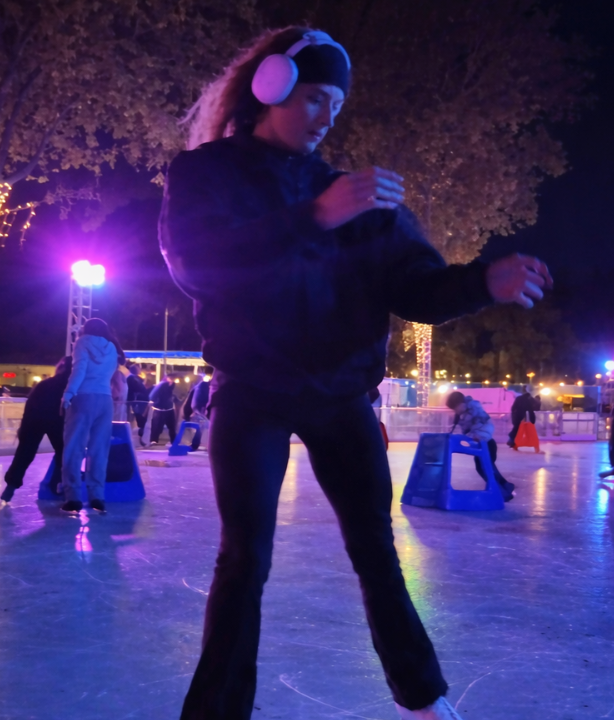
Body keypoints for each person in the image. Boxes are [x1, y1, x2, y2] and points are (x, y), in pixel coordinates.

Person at [161, 26, 552, 720]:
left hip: (341, 393)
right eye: (313, 98)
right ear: (269, 87)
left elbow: (418, 287)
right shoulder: (207, 174)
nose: (324, 118)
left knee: (376, 549)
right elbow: (198, 267)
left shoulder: (354, 194)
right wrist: (311, 217)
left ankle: (425, 697)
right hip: (253, 390)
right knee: (244, 559)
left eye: (334, 108)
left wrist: (482, 284)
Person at [60, 319, 127, 514]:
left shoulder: (82, 342)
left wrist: (68, 394)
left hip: (83, 398)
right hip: (105, 401)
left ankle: (73, 498)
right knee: (99, 450)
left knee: (74, 448)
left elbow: (79, 370)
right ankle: (97, 497)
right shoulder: (112, 347)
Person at [1, 357, 72, 503]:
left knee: (25, 452)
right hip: (57, 420)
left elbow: (30, 405)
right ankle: (57, 483)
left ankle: (11, 485)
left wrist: (24, 426)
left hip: (34, 419)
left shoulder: (44, 384)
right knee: (64, 451)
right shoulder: (71, 385)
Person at [446, 391, 515, 501]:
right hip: (481, 444)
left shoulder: (474, 409)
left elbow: (485, 425)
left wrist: (479, 436)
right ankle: (505, 485)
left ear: (461, 403)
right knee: (484, 468)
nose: (455, 411)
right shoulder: (463, 414)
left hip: (487, 443)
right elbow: (467, 429)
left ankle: (502, 491)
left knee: (486, 468)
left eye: (455, 408)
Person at [147, 372, 182, 446]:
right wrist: (155, 402)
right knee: (157, 428)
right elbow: (152, 395)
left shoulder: (172, 385)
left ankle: (174, 442)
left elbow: (171, 395)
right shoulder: (162, 384)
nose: (173, 379)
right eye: (172, 377)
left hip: (168, 409)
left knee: (171, 427)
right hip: (160, 410)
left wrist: (176, 400)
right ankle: (154, 442)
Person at [182, 374, 212, 450]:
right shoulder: (201, 387)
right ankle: (193, 445)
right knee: (199, 428)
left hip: (194, 411)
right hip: (196, 411)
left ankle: (192, 445)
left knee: (197, 428)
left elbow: (191, 402)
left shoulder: (197, 387)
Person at [125, 364, 150, 444]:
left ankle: (141, 439)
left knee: (141, 421)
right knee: (140, 421)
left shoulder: (135, 379)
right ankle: (140, 440)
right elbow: (137, 389)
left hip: (139, 404)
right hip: (137, 404)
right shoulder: (132, 379)